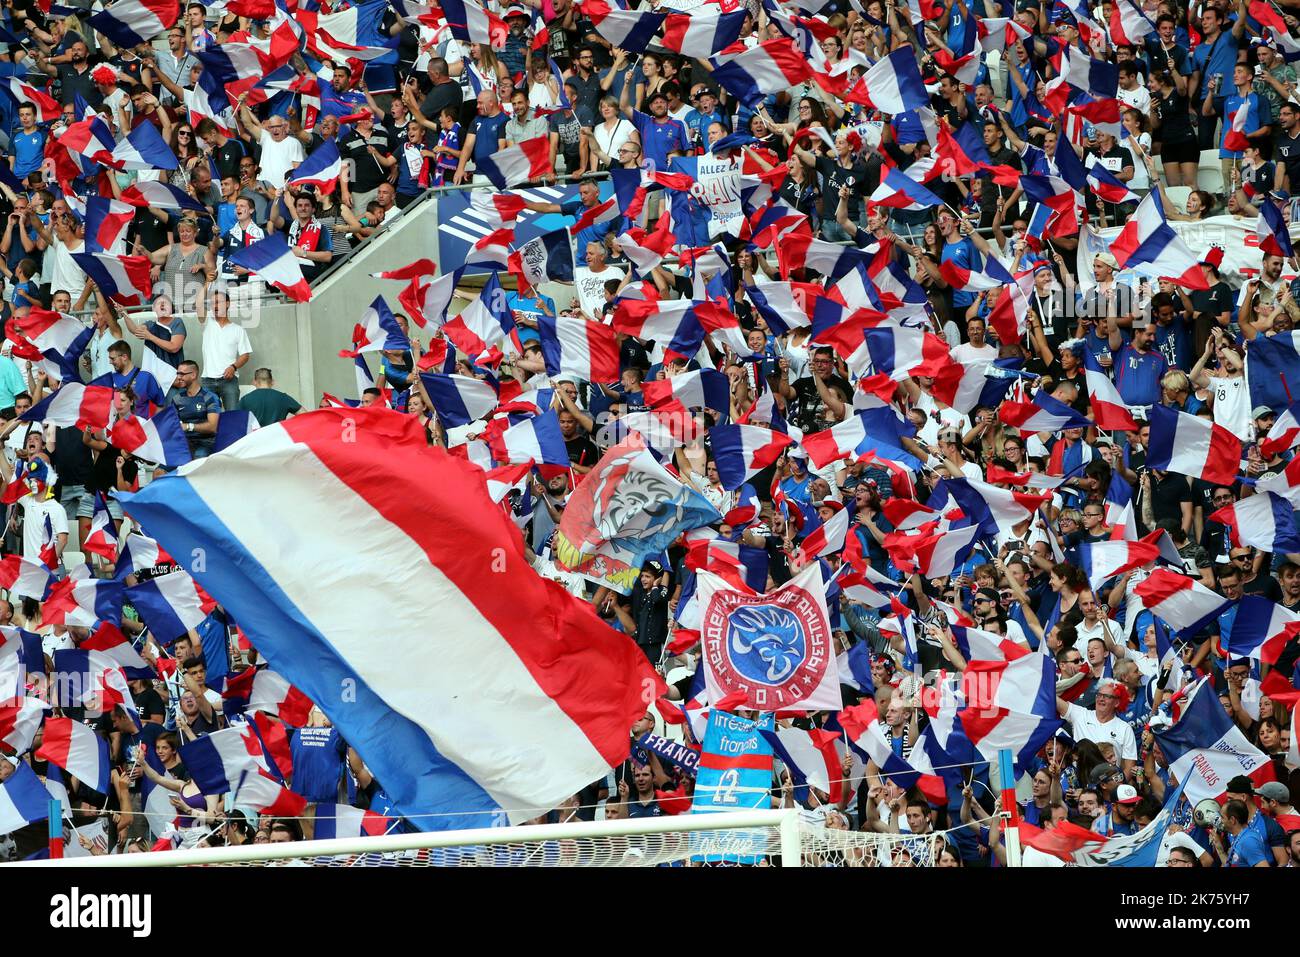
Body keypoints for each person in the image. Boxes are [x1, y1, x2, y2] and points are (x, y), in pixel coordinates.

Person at [168, 360, 221, 458]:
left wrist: (189, 426)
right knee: (159, 471)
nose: (179, 377)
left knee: (197, 459)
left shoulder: (210, 397)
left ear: (193, 375)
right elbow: (173, 425)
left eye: (182, 374)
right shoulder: (177, 398)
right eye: (178, 374)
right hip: (184, 442)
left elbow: (212, 427)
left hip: (205, 443)